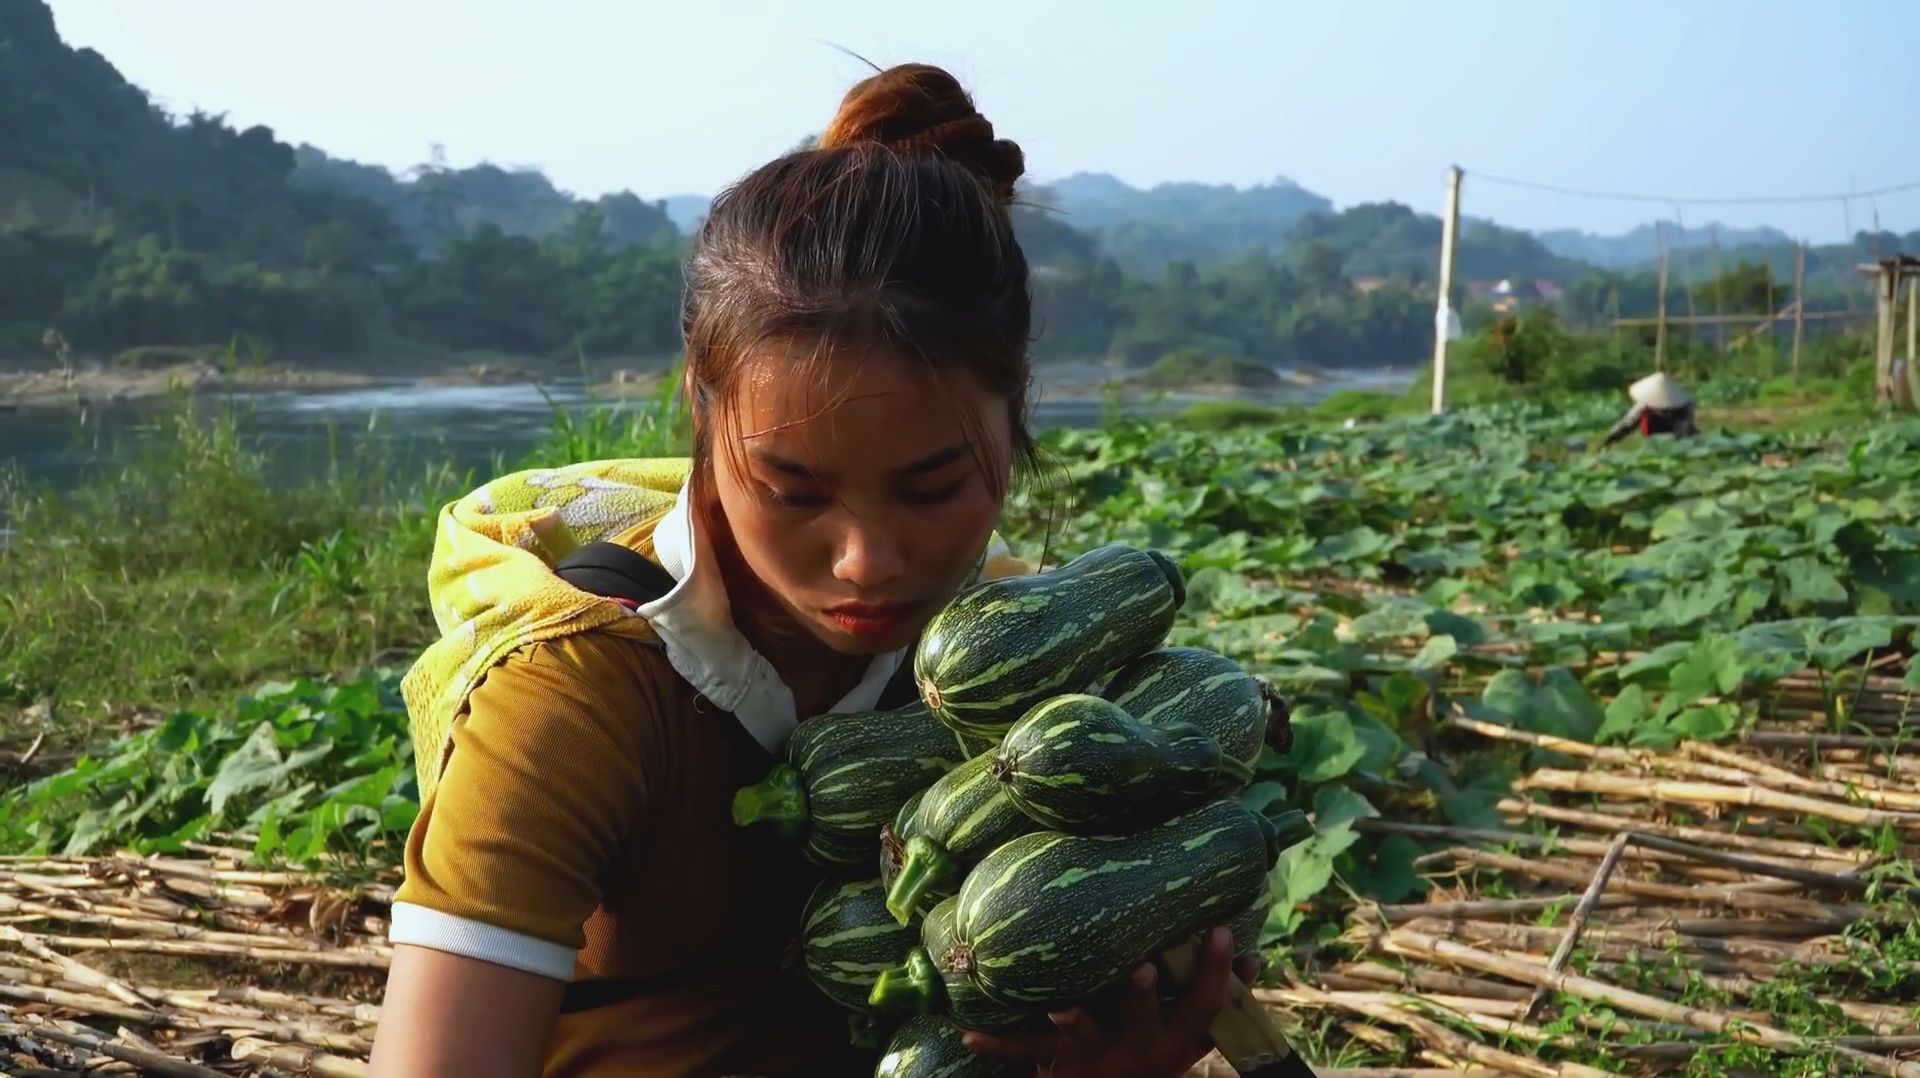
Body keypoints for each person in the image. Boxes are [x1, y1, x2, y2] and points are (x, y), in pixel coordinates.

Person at [368, 63, 1258, 1078]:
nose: (867, 561)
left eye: (932, 490)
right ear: (704, 412)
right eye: (794, 491)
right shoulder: (569, 701)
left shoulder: (1027, 686)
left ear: (1015, 419)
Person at [1597, 371, 1697, 448]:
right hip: (1653, 434)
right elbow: (1627, 423)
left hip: (1675, 432)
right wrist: (1607, 441)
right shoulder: (1645, 404)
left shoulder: (1683, 406)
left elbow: (1685, 429)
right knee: (1647, 420)